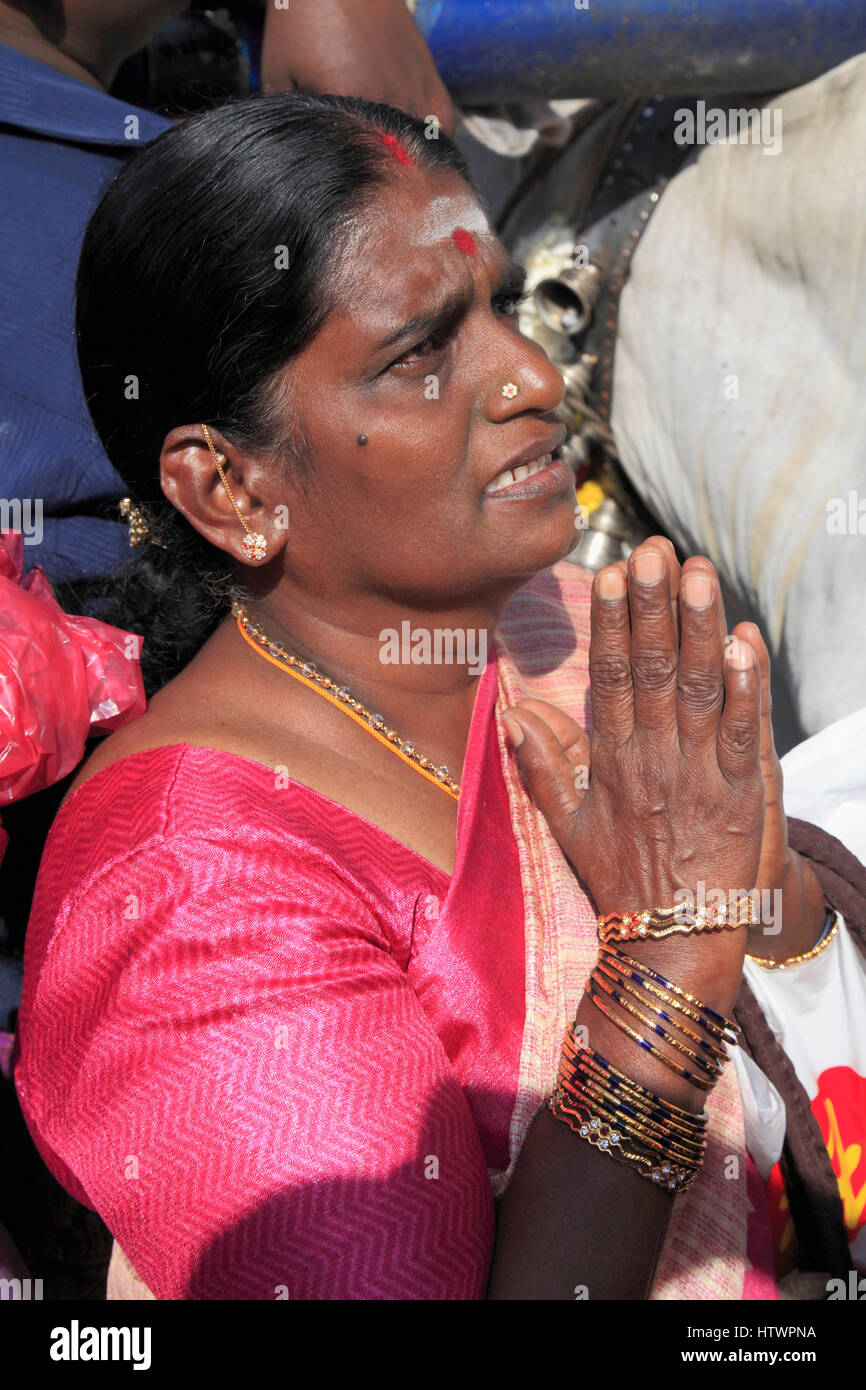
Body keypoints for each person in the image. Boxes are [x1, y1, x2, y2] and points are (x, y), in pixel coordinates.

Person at [12, 93, 863, 1300]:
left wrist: (758, 886)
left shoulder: (569, 634)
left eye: (505, 308)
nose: (528, 374)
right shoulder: (186, 892)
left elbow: (783, 954)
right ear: (232, 489)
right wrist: (667, 960)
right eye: (419, 355)